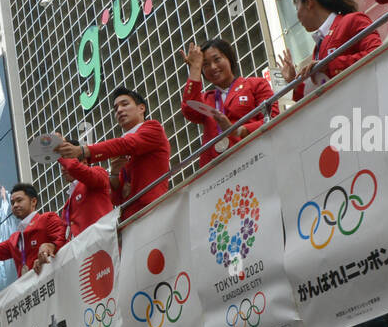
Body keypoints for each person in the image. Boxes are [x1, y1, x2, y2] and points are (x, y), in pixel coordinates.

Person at [53, 89, 171, 218]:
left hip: (154, 210)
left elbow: (125, 144)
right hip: (130, 218)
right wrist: (114, 174)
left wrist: (82, 150)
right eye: (116, 108)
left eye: (125, 104)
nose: (119, 110)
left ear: (141, 108)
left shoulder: (153, 128)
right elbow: (116, 199)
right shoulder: (121, 148)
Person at [179, 42, 278, 169]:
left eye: (217, 59)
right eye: (205, 65)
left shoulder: (255, 85)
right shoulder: (205, 99)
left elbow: (273, 118)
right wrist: (195, 68)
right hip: (217, 171)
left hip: (254, 160)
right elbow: (188, 111)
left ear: (229, 59)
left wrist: (238, 130)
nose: (213, 67)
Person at [280, 0, 383, 100]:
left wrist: (329, 65)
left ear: (308, 2)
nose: (297, 17)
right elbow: (318, 90)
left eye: (297, 9)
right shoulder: (317, 47)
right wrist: (293, 82)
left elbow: (378, 52)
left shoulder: (352, 20)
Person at [55, 142, 116, 239]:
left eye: (65, 162)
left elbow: (80, 170)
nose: (62, 169)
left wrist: (61, 145)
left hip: (104, 242)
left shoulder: (99, 173)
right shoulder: (67, 205)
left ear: (83, 162)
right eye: (61, 165)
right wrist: (52, 245)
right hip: (83, 251)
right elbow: (64, 237)